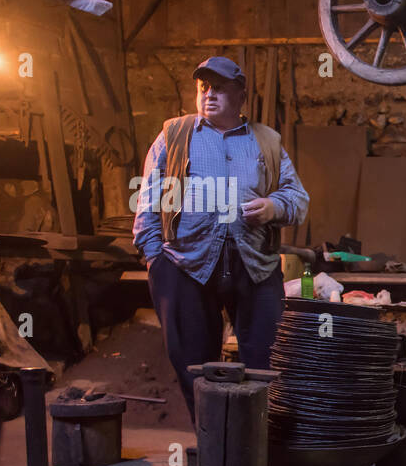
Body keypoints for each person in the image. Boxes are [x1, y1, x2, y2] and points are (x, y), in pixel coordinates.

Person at [132, 56, 309, 422]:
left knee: (266, 362)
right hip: (184, 264)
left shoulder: (266, 142)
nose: (209, 95)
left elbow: (298, 198)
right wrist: (156, 261)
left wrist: (274, 207)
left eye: (220, 89)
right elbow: (148, 200)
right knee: (195, 367)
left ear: (241, 96)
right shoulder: (173, 135)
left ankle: (258, 449)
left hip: (254, 265)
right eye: (203, 88)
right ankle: (214, 448)